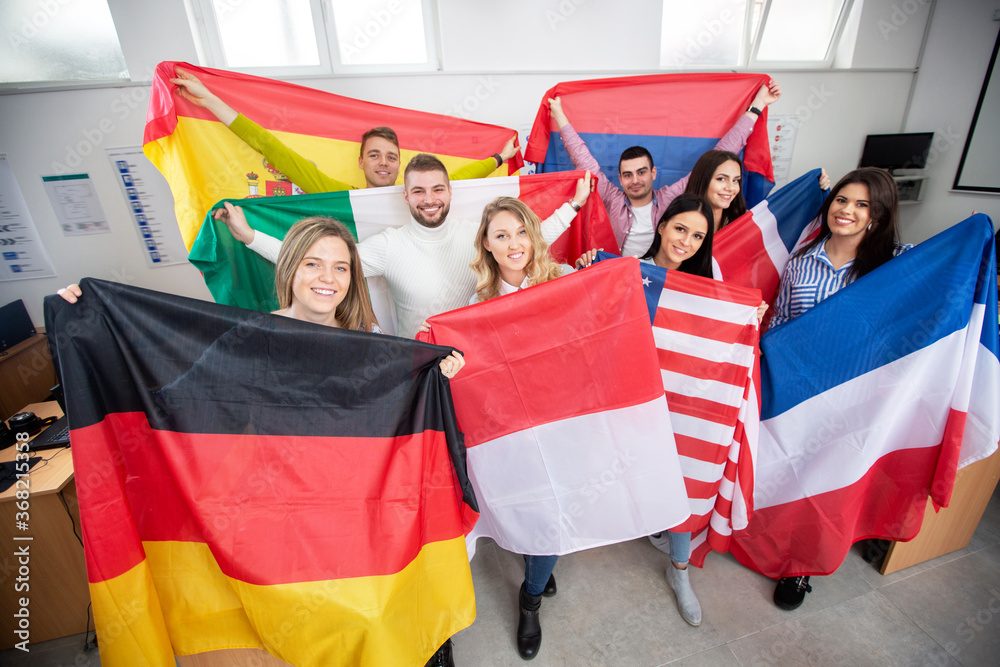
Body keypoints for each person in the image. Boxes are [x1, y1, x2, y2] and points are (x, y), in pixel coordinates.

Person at [58, 215, 466, 667]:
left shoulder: (370, 344)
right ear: (289, 268)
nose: (327, 278)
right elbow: (175, 402)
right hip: (281, 509)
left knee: (378, 612)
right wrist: (91, 321)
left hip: (357, 505)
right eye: (313, 264)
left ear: (353, 278)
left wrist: (436, 373)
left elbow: (401, 420)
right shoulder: (248, 341)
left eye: (341, 267)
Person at [229, 155, 592, 338]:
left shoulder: (476, 234)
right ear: (406, 196)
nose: (429, 199)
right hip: (420, 364)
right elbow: (317, 263)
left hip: (477, 356)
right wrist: (249, 236)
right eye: (419, 191)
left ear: (449, 192)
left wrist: (573, 206)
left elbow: (527, 240)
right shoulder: (389, 245)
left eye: (437, 190)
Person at [767, 167, 913, 610]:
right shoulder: (800, 262)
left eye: (862, 204)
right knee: (791, 471)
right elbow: (780, 323)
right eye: (841, 200)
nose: (846, 210)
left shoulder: (897, 266)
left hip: (854, 398)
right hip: (798, 392)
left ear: (878, 215)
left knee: (829, 483)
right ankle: (771, 539)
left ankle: (801, 568)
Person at [467, 196, 574, 660]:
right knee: (527, 506)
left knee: (552, 517)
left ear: (534, 235)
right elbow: (476, 370)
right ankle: (536, 566)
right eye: (501, 235)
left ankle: (529, 598)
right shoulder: (478, 302)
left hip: (563, 423)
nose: (514, 244)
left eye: (521, 232)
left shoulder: (565, 280)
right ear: (487, 247)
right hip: (510, 430)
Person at [169, 66, 518, 192]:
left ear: (399, 164)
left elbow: (465, 176)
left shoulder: (417, 194)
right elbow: (270, 146)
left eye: (391, 157)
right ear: (361, 162)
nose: (384, 162)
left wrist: (500, 157)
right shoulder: (339, 194)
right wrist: (209, 101)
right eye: (375, 155)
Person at [547, 80, 781, 256]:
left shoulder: (672, 197)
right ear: (620, 179)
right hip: (617, 275)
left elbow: (719, 156)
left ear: (653, 173)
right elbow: (582, 158)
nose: (635, 180)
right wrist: (559, 115)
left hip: (659, 278)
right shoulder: (611, 198)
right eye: (628, 175)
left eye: (641, 172)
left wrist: (758, 105)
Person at [686, 152, 832, 232]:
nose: (730, 188)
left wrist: (815, 187)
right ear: (703, 180)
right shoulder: (679, 217)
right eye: (721, 179)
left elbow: (787, 219)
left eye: (736, 180)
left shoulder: (745, 220)